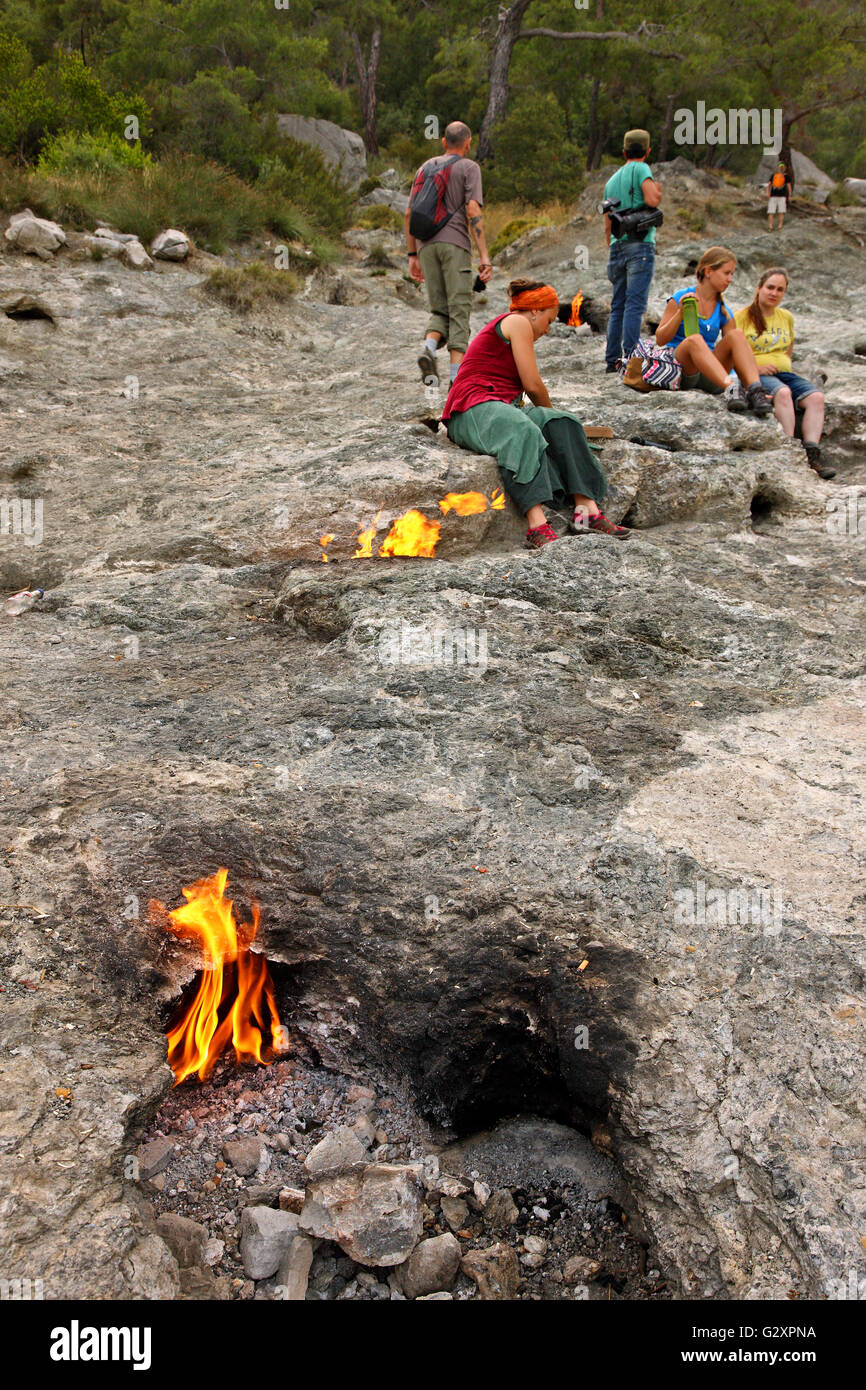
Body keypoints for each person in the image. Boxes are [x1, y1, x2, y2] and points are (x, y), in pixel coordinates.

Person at [441, 279, 630, 548]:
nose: (548, 328)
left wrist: (553, 422)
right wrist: (545, 415)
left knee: (564, 422)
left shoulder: (519, 327)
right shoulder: (517, 322)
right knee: (523, 430)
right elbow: (532, 384)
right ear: (534, 312)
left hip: (501, 407)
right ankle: (537, 525)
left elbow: (534, 397)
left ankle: (586, 510)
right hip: (470, 409)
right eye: (549, 319)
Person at [405, 122, 492, 387]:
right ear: (468, 143)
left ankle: (429, 350)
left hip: (426, 247)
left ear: (444, 142)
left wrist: (412, 255)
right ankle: (457, 381)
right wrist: (484, 256)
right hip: (455, 246)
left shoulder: (424, 168)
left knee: (438, 310)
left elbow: (409, 213)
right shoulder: (469, 167)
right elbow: (473, 210)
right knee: (459, 311)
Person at [734, 268, 835, 478]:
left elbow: (789, 346)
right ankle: (789, 452)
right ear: (759, 288)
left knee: (816, 397)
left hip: (784, 372)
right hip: (756, 373)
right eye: (770, 287)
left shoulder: (786, 317)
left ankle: (812, 455)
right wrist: (757, 368)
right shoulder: (742, 317)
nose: (774, 293)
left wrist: (783, 363)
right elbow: (733, 352)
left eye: (780, 289)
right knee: (783, 393)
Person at [655, 246, 773, 415]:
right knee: (694, 340)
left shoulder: (723, 310)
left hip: (712, 375)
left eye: (732, 274)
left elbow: (736, 355)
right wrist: (681, 312)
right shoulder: (681, 297)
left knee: (736, 335)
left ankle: (755, 391)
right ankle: (731, 388)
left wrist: (739, 380)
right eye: (727, 273)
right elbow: (660, 339)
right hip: (684, 370)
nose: (730, 279)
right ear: (709, 271)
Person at [603, 128, 662, 373]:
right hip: (640, 245)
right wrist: (656, 190)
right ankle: (630, 358)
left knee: (617, 305)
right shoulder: (642, 169)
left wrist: (612, 245)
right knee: (635, 305)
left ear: (624, 151)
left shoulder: (611, 181)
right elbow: (651, 200)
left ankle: (612, 359)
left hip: (618, 246)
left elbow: (607, 223)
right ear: (647, 151)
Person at [766, 162, 791, 232]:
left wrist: (767, 193)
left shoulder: (773, 175)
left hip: (773, 196)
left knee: (771, 212)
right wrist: (789, 196)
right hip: (782, 196)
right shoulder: (786, 176)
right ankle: (779, 226)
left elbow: (768, 185)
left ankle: (770, 227)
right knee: (781, 212)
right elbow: (789, 187)